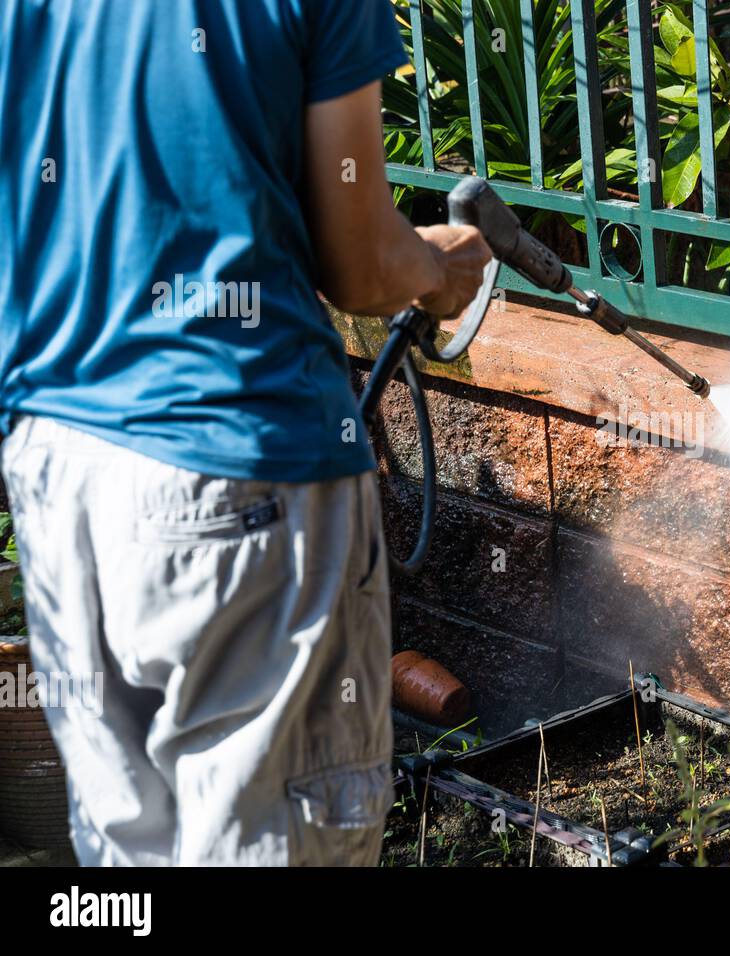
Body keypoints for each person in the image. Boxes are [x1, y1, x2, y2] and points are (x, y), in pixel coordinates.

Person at [0, 0, 491, 865]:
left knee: (128, 862)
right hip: (238, 466)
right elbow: (361, 259)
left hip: (59, 468)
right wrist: (437, 267)